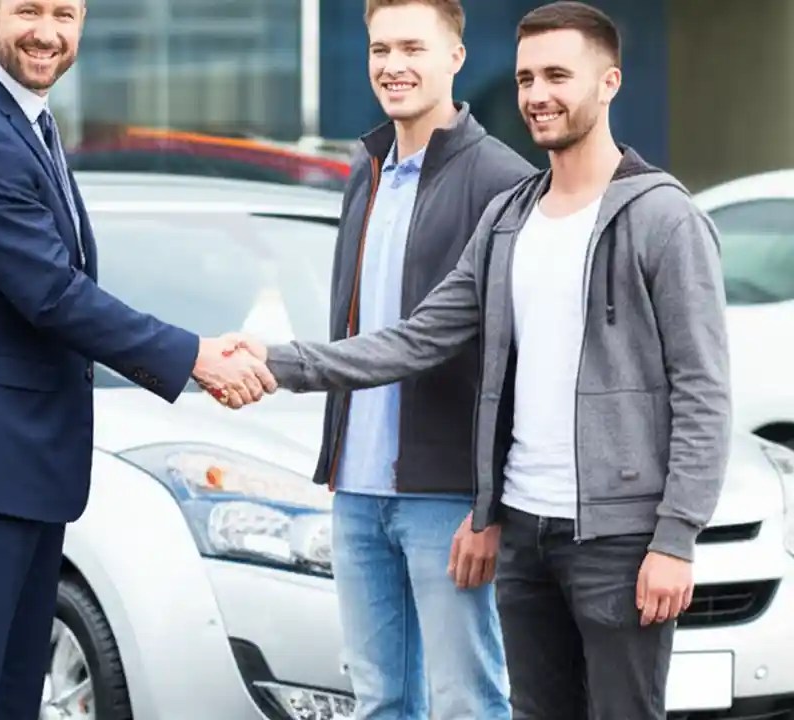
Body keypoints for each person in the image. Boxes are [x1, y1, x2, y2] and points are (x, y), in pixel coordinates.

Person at [233, 2, 731, 717]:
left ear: (610, 82)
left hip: (617, 538)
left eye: (558, 75)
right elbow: (418, 337)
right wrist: (278, 362)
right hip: (525, 530)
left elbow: (703, 392)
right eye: (526, 78)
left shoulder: (663, 217)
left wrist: (676, 539)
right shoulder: (510, 218)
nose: (537, 95)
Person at [0, 1, 275, 717]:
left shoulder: (24, 120)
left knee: (8, 700)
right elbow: (52, 294)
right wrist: (192, 356)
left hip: (17, 467)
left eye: (65, 13)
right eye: (29, 10)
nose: (48, 32)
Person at [311, 1, 533, 718]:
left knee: (468, 701)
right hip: (355, 489)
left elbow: (519, 359)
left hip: (446, 497)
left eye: (412, 48)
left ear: (455, 57)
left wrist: (488, 505)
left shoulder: (502, 179)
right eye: (380, 50)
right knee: (378, 701)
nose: (393, 66)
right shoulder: (367, 169)